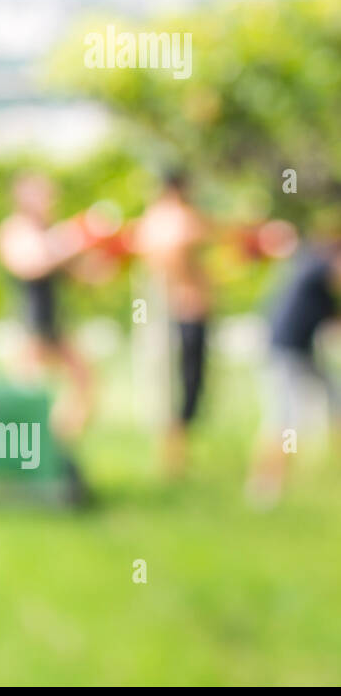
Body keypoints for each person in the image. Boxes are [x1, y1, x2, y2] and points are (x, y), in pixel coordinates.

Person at [0, 173, 94, 438]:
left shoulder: (50, 232)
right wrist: (68, 241)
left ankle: (58, 443)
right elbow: (32, 264)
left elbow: (83, 274)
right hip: (28, 326)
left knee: (84, 381)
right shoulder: (14, 230)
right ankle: (27, 452)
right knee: (29, 395)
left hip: (54, 323)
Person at [130, 170, 214, 474]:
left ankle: (172, 453)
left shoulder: (150, 220)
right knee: (187, 381)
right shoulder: (180, 220)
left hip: (160, 311)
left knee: (168, 380)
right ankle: (175, 453)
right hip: (186, 309)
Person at [247, 235, 341, 504]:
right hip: (284, 353)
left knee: (336, 399)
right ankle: (265, 489)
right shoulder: (317, 267)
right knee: (284, 419)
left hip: (302, 352)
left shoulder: (317, 283)